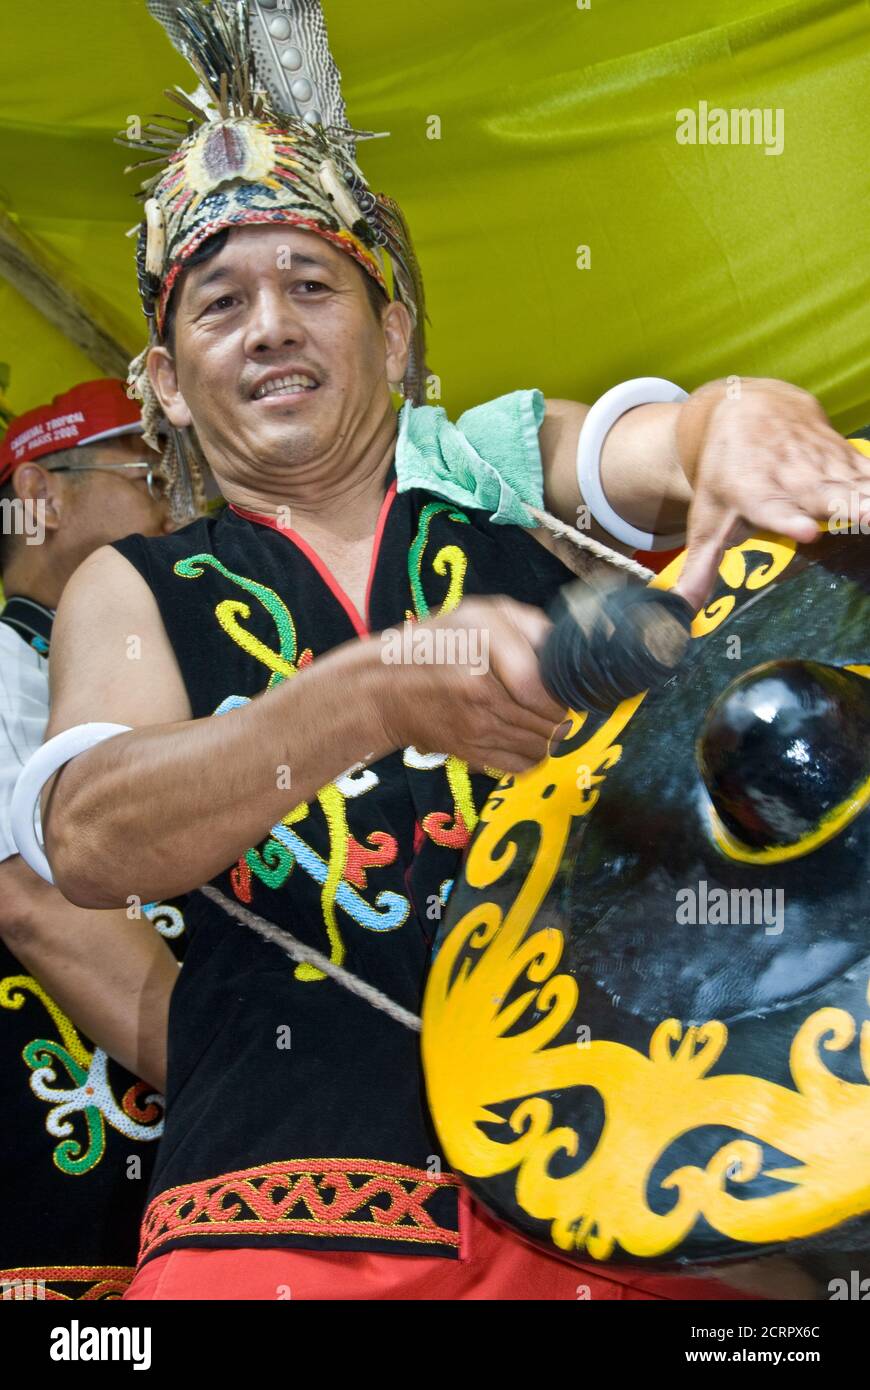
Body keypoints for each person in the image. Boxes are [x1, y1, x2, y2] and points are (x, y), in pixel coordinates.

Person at [23, 2, 870, 1299]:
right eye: (219, 304)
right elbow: (89, 841)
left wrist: (744, 421)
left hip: (643, 1170)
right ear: (167, 382)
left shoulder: (503, 474)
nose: (270, 327)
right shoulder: (135, 585)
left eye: (313, 286)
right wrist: (363, 697)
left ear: (396, 329)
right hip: (286, 1206)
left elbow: (665, 444)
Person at [0, 378, 184, 1301]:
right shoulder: (2, 667)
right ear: (40, 495)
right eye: (150, 472)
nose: (179, 505)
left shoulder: (160, 677)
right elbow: (31, 907)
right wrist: (242, 1080)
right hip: (50, 1217)